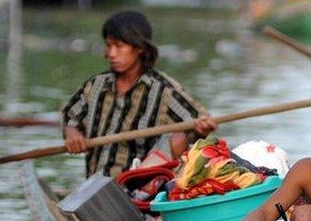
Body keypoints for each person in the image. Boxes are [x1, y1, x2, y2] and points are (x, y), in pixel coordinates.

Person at [62, 11, 217, 177]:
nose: (112, 54)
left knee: (180, 136)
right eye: (108, 46)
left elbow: (199, 120)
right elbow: (69, 117)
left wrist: (201, 128)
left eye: (119, 46)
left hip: (137, 188)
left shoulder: (164, 91)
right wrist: (73, 134)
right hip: (93, 188)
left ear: (140, 48)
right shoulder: (95, 86)